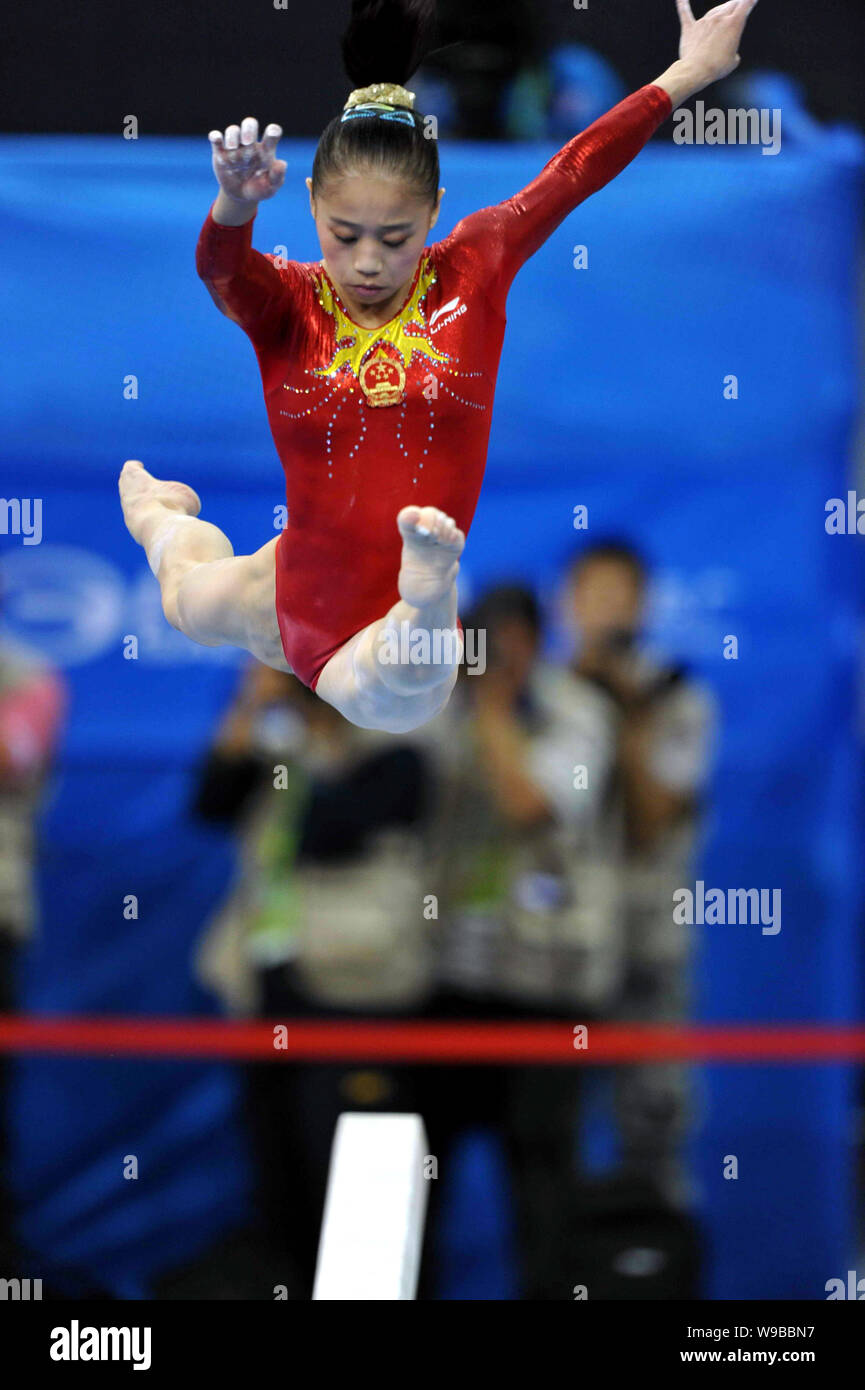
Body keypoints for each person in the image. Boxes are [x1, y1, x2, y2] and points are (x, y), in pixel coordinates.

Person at [119, 0, 759, 734]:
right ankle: (157, 514)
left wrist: (687, 72)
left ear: (432, 215)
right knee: (183, 599)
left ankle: (424, 594)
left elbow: (574, 170)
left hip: (385, 632)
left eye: (393, 238)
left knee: (394, 691)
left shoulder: (473, 267)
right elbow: (221, 270)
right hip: (294, 589)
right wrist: (234, 201)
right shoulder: (288, 303)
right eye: (343, 234)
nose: (366, 261)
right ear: (310, 206)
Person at [567, 539, 716, 1206]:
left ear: (645, 604)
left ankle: (659, 1269)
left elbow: (652, 819)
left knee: (653, 1128)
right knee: (549, 1136)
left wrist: (629, 722)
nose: (606, 613)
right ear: (566, 604)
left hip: (648, 942)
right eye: (592, 596)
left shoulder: (678, 700)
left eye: (619, 597)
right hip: (555, 947)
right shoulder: (539, 698)